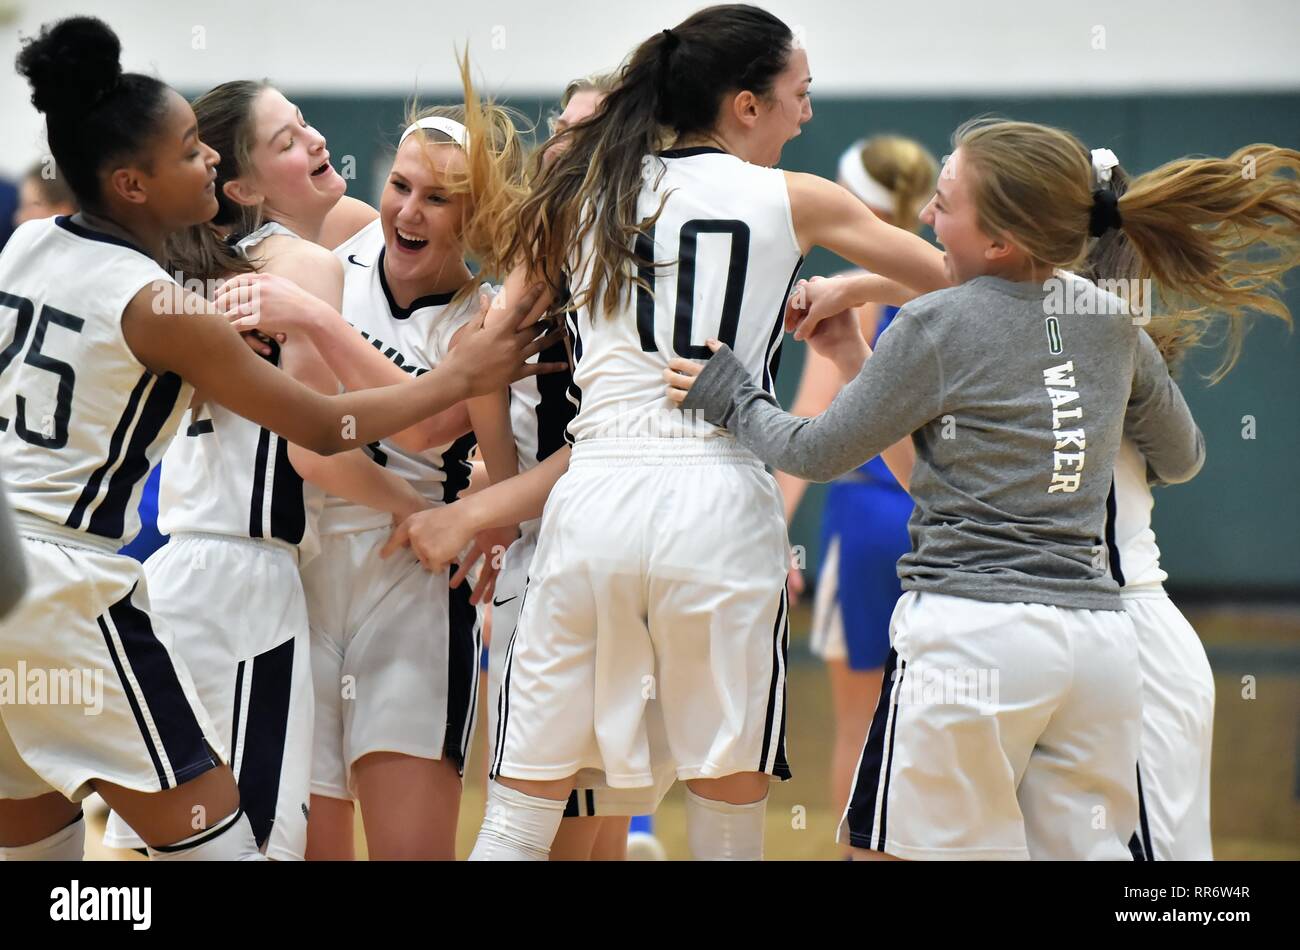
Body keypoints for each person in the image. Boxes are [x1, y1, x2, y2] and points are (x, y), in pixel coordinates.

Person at [388, 4, 950, 861]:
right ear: (745, 105)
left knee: (517, 820)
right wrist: (853, 290)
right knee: (726, 824)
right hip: (719, 493)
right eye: (800, 92)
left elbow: (491, 354)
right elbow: (957, 277)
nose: (808, 110)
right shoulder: (797, 200)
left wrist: (482, 488)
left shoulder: (582, 191)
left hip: (591, 502)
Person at [0, 15, 558, 862]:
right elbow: (316, 431)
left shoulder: (34, 244)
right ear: (137, 182)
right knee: (233, 843)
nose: (211, 163)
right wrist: (456, 389)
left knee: (60, 847)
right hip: (188, 579)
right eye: (195, 151)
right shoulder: (208, 284)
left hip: (93, 568)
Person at [667, 118, 1300, 859]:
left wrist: (736, 399)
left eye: (941, 203)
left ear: (1004, 238)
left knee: (882, 847)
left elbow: (819, 449)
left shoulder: (942, 323)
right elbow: (1182, 454)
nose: (925, 219)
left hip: (974, 631)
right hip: (1102, 644)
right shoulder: (1109, 324)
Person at [101, 79, 435, 860]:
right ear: (241, 185)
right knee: (257, 845)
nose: (316, 140)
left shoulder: (200, 269)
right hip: (246, 587)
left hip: (174, 575)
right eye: (287, 141)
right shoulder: (300, 265)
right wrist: (406, 506)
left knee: (145, 844)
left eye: (308, 124)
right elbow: (315, 447)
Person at [779, 134, 936, 850]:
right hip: (952, 523)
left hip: (870, 519)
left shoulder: (859, 291)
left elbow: (808, 426)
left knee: (861, 726)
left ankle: (856, 850)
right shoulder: (949, 283)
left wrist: (769, 531)